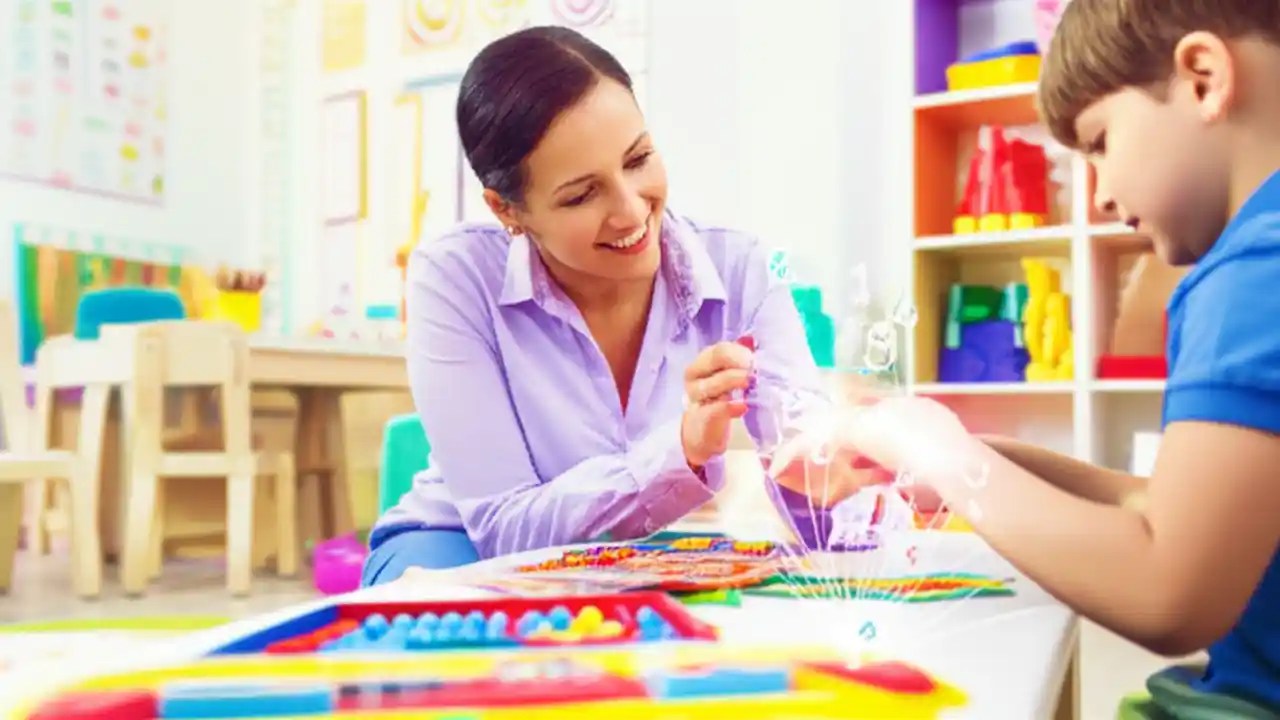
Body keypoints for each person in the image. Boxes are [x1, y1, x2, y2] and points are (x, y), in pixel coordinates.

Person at [842, 0, 1280, 713]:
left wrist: (942, 454)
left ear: (1202, 77)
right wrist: (959, 459)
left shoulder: (1254, 268)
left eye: (1100, 143)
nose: (1099, 195)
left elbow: (1165, 590)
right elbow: (1160, 506)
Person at [363, 26, 890, 586]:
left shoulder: (741, 270)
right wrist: (681, 449)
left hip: (640, 551)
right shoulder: (457, 276)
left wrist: (839, 473)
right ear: (507, 210)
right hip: (458, 546)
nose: (632, 212)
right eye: (581, 195)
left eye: (638, 159)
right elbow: (504, 531)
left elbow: (820, 512)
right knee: (451, 626)